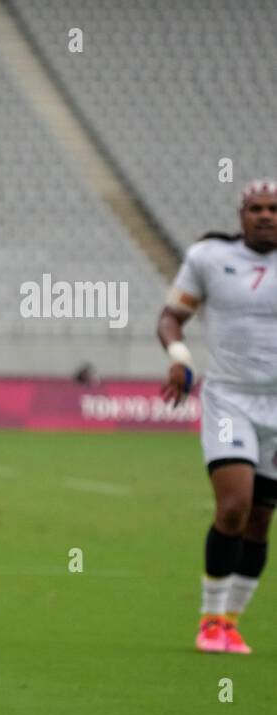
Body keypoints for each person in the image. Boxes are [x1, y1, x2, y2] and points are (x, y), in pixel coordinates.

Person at [159, 179, 277, 654]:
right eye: (256, 208)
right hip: (229, 398)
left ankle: (231, 622)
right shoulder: (209, 258)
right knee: (234, 506)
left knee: (261, 520)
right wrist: (180, 358)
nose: (265, 216)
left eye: (273, 209)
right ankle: (210, 621)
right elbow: (170, 317)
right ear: (241, 215)